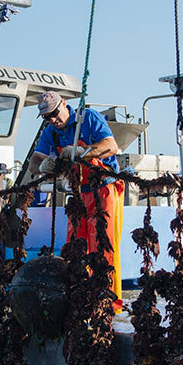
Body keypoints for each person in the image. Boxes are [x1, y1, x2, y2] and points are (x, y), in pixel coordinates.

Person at [27, 91, 125, 311]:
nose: (52, 119)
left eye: (54, 113)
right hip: (79, 193)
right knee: (74, 246)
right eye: (46, 117)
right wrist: (41, 167)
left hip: (104, 189)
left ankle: (110, 303)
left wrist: (84, 152)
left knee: (104, 246)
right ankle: (82, 296)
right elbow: (35, 161)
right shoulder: (51, 132)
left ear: (64, 104)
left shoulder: (88, 118)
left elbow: (111, 145)